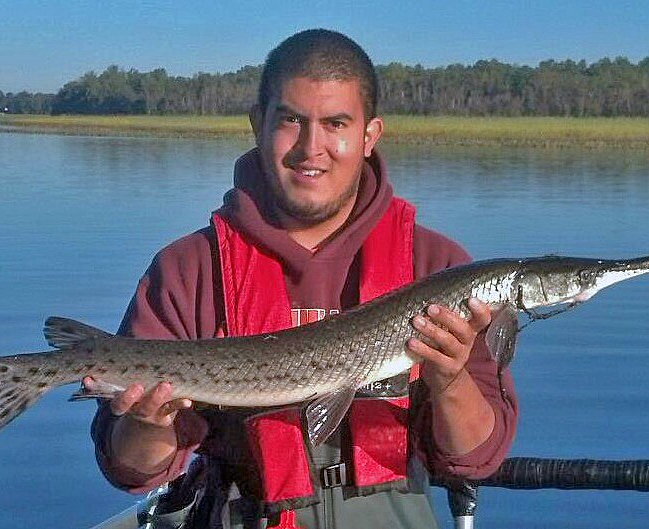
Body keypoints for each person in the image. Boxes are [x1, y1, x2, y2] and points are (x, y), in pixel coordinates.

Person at [86, 29, 517, 529]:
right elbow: (132, 469)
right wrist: (146, 423)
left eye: (335, 123)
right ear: (257, 125)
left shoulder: (440, 267)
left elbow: (476, 459)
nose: (312, 148)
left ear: (368, 135)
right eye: (291, 120)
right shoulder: (188, 268)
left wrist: (449, 379)